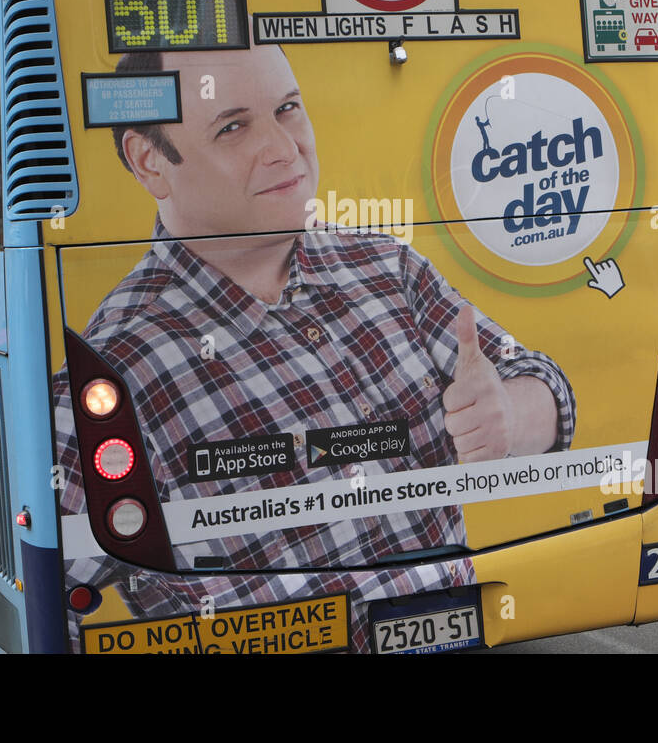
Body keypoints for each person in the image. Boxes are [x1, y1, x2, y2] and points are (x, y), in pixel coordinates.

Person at [51, 42, 575, 631]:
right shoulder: (115, 368)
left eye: (287, 109)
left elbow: (545, 386)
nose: (284, 148)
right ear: (150, 161)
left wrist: (511, 414)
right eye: (232, 128)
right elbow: (46, 590)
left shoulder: (387, 267)